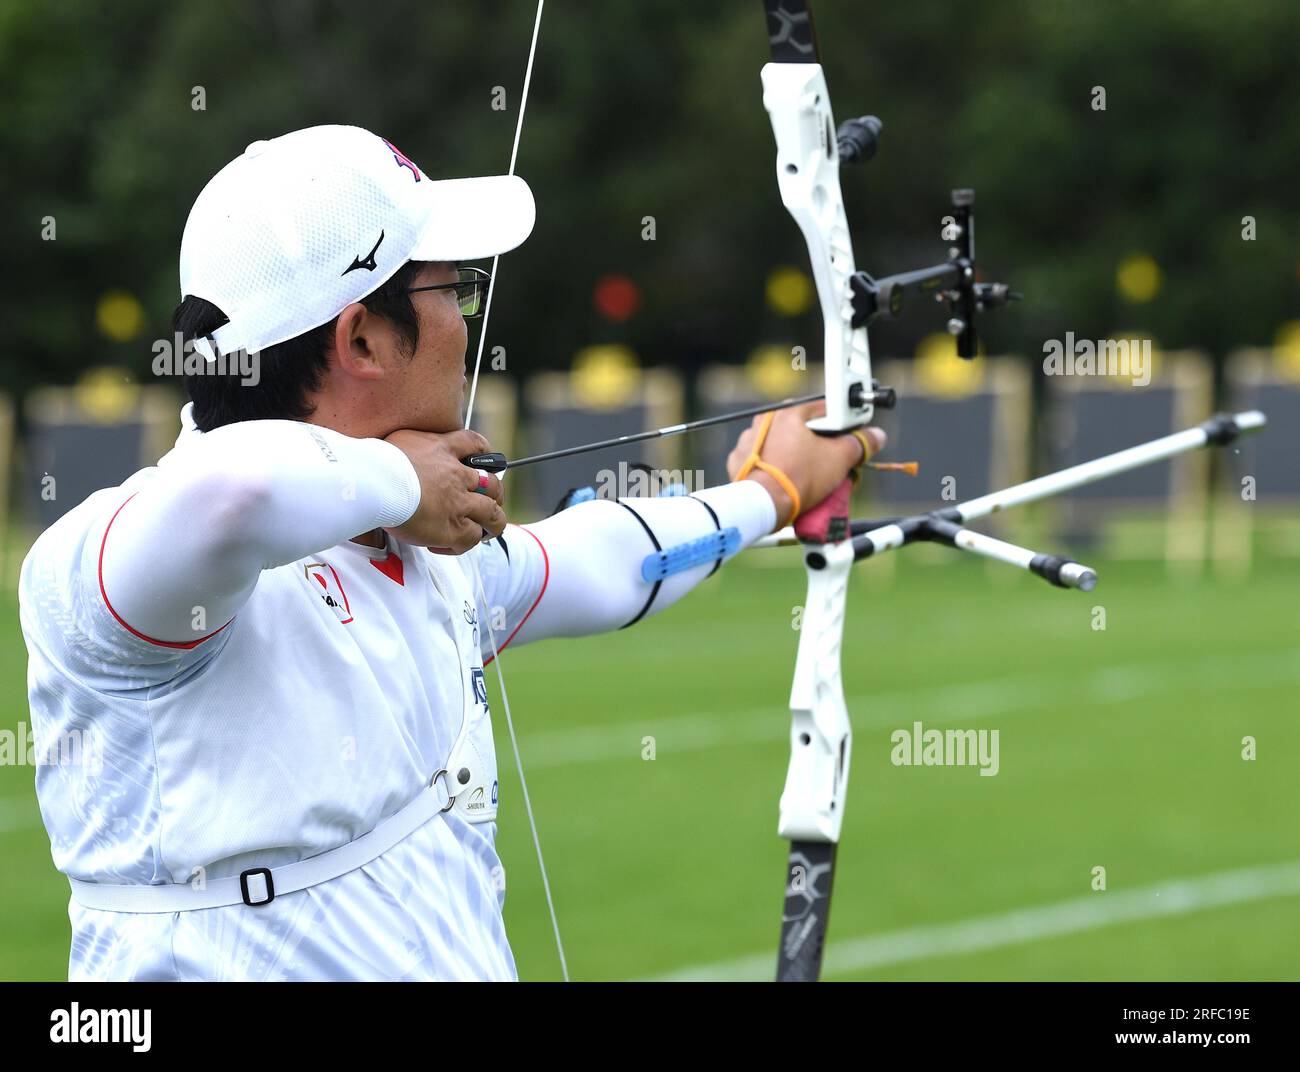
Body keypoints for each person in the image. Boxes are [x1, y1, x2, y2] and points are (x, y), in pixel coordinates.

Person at [18, 125, 881, 981]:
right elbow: (228, 492)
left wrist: (768, 493)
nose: (467, 325)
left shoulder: (420, 551)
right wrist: (403, 478)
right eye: (453, 293)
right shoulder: (116, 574)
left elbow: (599, 561)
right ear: (361, 339)